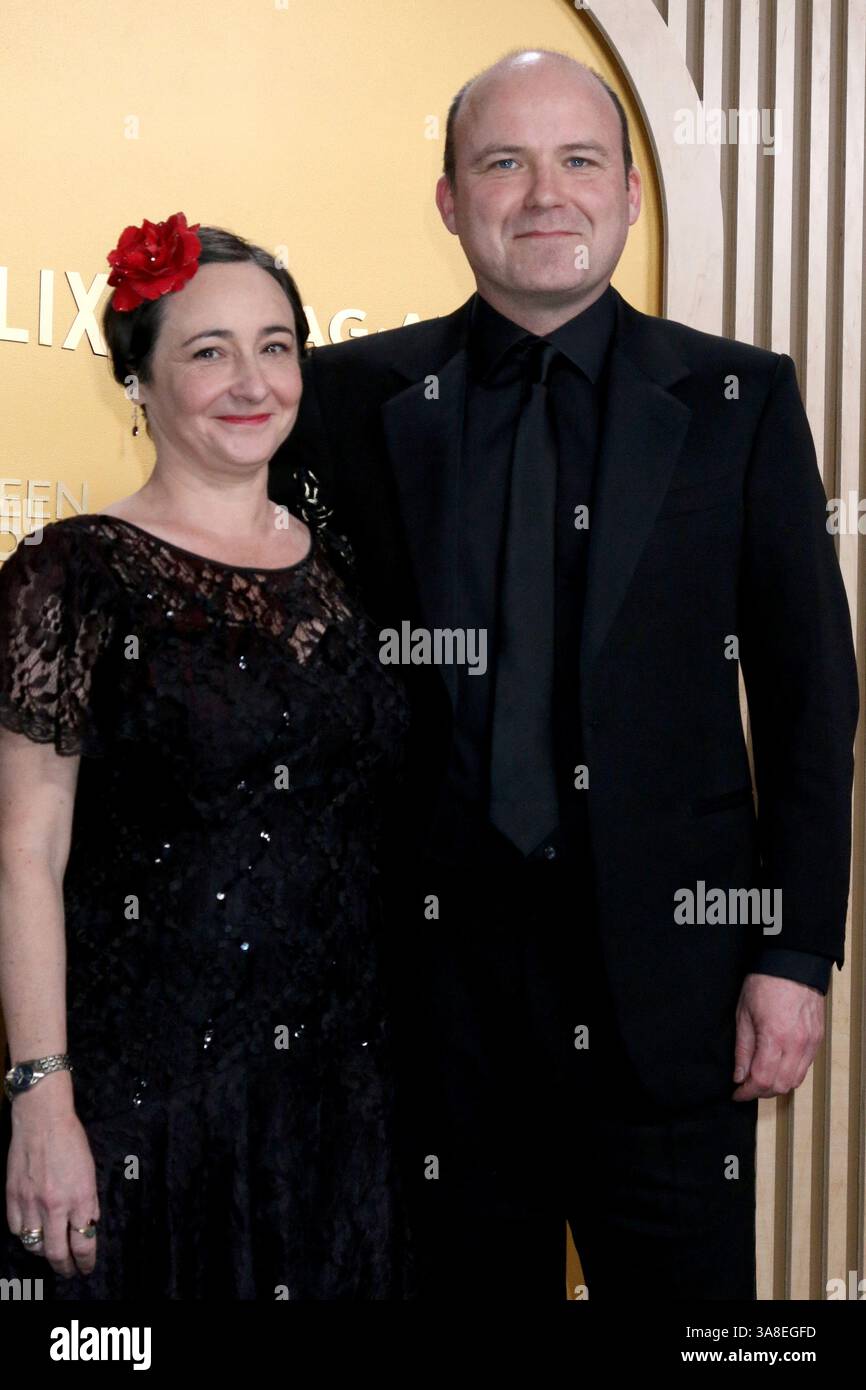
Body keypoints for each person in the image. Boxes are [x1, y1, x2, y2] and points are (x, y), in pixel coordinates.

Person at [269, 50, 860, 1300]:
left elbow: (811, 697)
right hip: (430, 1005)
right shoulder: (345, 398)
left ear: (630, 193)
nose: (545, 193)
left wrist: (793, 953)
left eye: (578, 160)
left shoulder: (738, 398)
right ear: (447, 200)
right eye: (503, 162)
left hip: (678, 997)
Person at [0, 213, 414, 1299]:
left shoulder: (355, 568)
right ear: (136, 378)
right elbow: (23, 857)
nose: (251, 380)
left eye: (275, 346)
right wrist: (42, 1100)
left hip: (339, 1086)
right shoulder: (69, 573)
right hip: (144, 1087)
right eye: (207, 350)